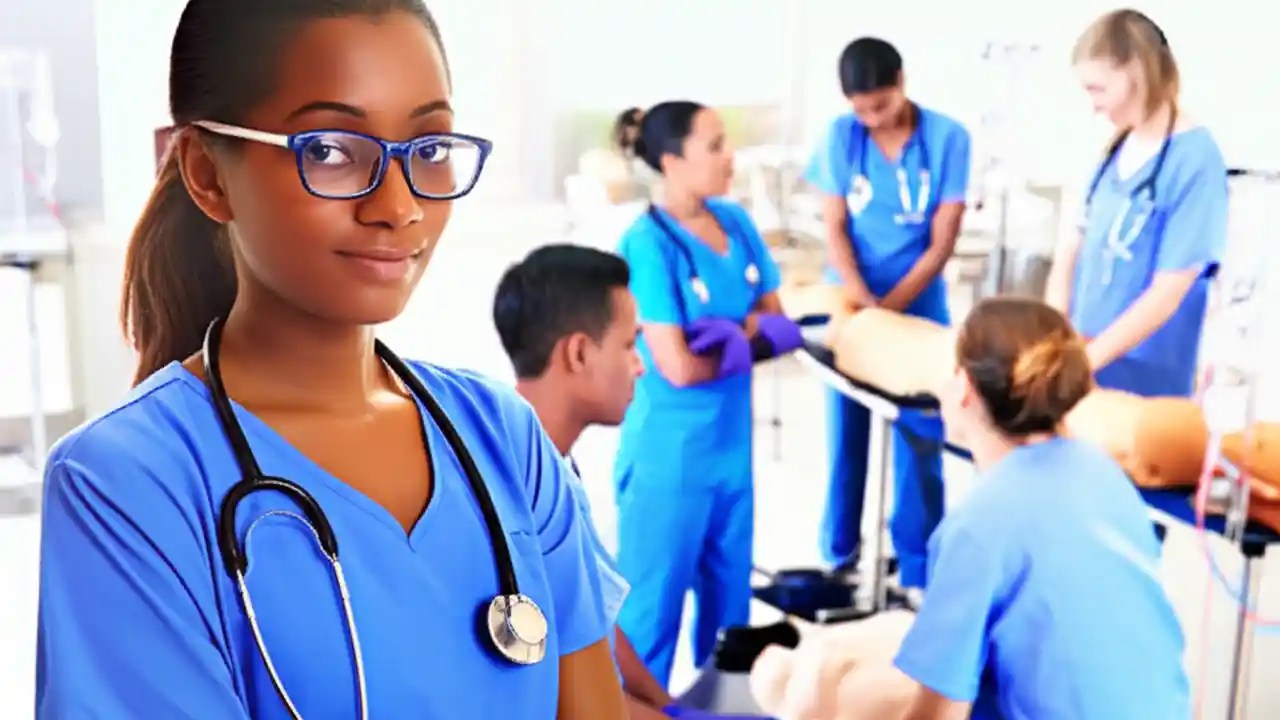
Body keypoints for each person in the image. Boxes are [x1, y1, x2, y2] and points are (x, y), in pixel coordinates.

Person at [34, 2, 626, 718]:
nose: (398, 205)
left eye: (430, 149)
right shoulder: (125, 483)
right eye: (332, 150)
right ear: (206, 174)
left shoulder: (504, 435)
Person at [752, 298, 1190, 720]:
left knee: (786, 681)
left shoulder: (979, 526)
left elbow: (938, 716)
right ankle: (795, 664)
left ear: (962, 387)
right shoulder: (1101, 472)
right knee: (854, 646)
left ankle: (785, 671)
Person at [494, 243, 753, 720]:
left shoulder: (554, 464)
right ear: (577, 352)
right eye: (630, 344)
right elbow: (559, 695)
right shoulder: (507, 490)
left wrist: (669, 705)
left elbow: (594, 620)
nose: (641, 365)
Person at [613, 100, 804, 688]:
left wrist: (725, 338)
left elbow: (782, 324)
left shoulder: (737, 223)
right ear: (672, 160)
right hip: (668, 460)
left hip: (730, 456)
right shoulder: (647, 244)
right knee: (650, 623)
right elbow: (678, 368)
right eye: (715, 145)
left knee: (731, 627)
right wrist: (748, 334)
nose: (730, 158)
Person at [1045, 10, 1228, 541]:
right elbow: (1068, 250)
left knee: (1119, 534)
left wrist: (1085, 362)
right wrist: (1057, 336)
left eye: (1097, 87)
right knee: (1067, 523)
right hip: (1084, 362)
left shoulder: (1195, 160)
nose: (1093, 102)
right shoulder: (1111, 149)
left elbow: (1169, 293)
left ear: (1135, 71)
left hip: (1144, 377)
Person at [803, 37, 972, 590]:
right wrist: (862, 303)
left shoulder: (948, 139)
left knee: (920, 435)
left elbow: (941, 241)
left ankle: (920, 563)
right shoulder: (841, 137)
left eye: (881, 105)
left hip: (918, 304)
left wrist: (892, 309)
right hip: (854, 299)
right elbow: (833, 227)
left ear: (902, 81)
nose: (871, 119)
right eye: (861, 109)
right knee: (846, 430)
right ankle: (839, 555)